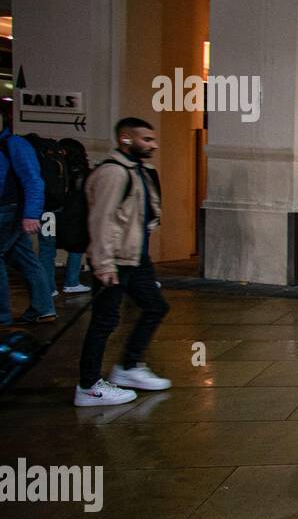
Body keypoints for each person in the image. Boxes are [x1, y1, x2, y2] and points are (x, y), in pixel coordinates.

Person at [74, 117, 172, 407]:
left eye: (153, 140)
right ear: (125, 139)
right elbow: (101, 220)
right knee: (104, 321)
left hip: (135, 258)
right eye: (146, 140)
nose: (153, 145)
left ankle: (128, 366)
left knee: (156, 306)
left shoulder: (140, 171)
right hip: (115, 260)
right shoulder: (113, 173)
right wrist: (103, 263)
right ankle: (88, 386)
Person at [0, 114, 55, 325]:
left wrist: (31, 214)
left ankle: (2, 316)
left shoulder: (13, 143)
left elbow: (33, 179)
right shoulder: (11, 144)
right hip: (12, 210)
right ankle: (43, 308)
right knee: (26, 259)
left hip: (8, 209)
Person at [56, 137, 92, 293]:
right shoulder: (81, 171)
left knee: (48, 248)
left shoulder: (58, 168)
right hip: (76, 214)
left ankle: (50, 285)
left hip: (56, 212)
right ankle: (71, 281)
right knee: (77, 247)